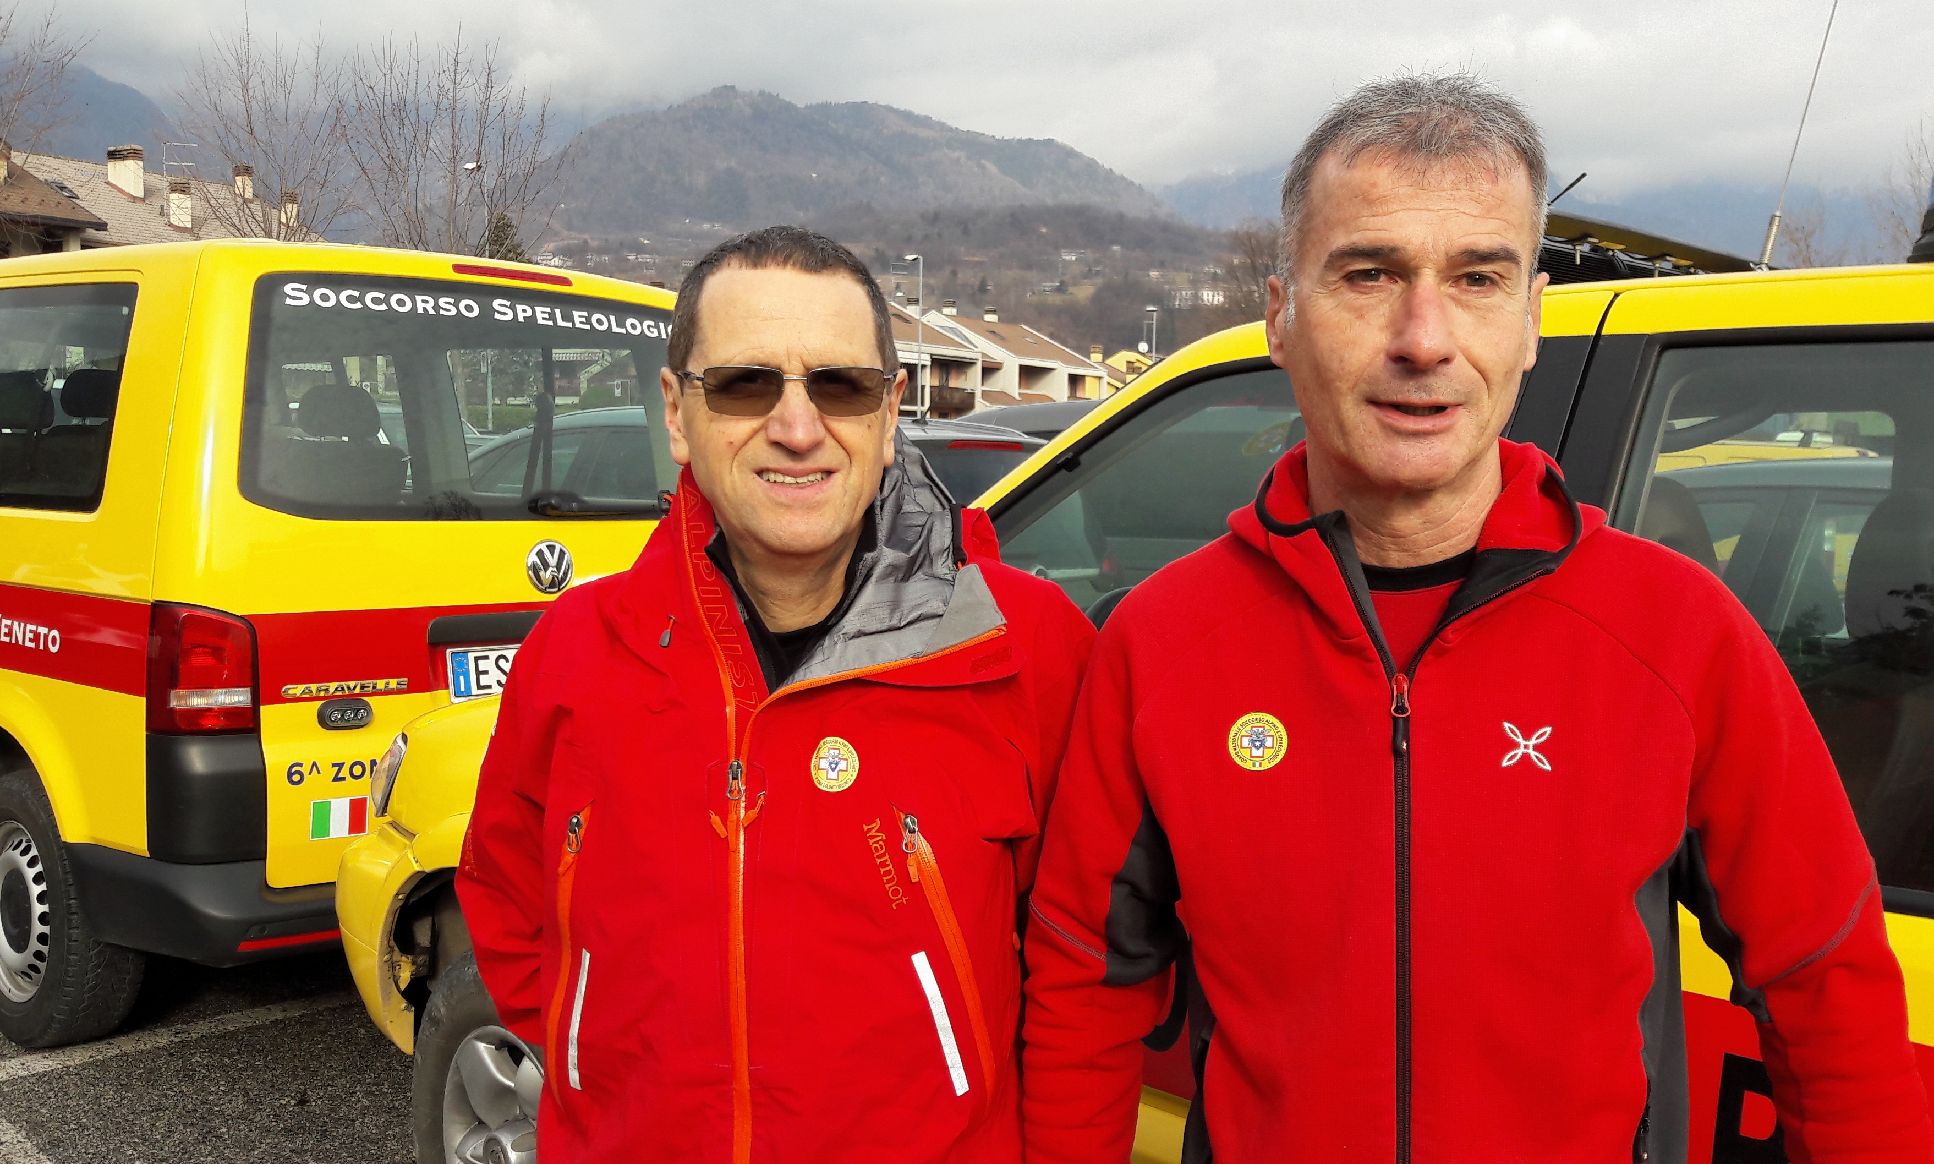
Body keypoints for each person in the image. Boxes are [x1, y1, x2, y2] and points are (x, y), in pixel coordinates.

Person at [1020, 75, 1934, 1162]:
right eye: (1368, 274)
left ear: (1529, 319)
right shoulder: (1162, 644)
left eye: (1476, 278)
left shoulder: (1675, 633)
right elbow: (1082, 994)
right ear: (1278, 311)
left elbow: (1825, 985)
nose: (1424, 336)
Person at [459, 225, 1094, 1162]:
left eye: (839, 386)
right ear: (677, 413)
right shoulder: (576, 655)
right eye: (747, 384)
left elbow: (1089, 973)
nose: (797, 429)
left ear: (889, 415)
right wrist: (608, 1065)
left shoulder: (1027, 650)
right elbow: (509, 905)